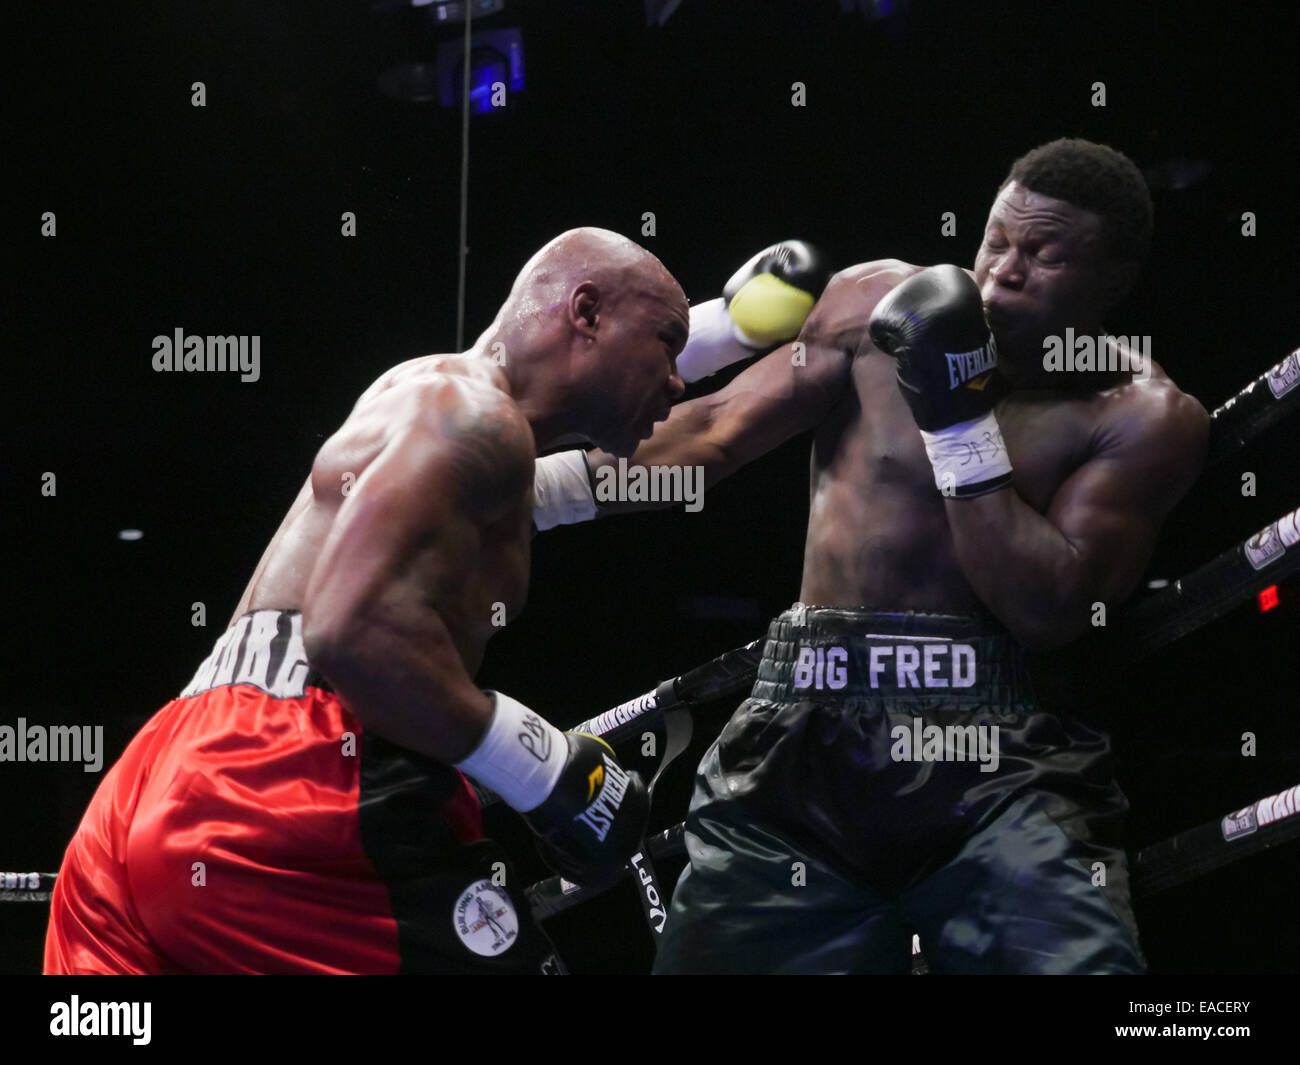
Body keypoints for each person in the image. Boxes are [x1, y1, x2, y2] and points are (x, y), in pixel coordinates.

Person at [533, 139, 1210, 973]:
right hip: (800, 739)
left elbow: (1049, 610)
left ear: (1112, 280)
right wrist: (527, 493)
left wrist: (957, 421)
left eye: (1044, 256)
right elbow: (713, 433)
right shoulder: (871, 304)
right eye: (998, 240)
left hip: (998, 763)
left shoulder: (1140, 414)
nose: (1003, 273)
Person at [44, 227, 689, 974]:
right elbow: (351, 635)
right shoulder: (479, 422)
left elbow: (704, 434)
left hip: (159, 774)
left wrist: (740, 330)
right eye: (667, 344)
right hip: (283, 778)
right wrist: (538, 768)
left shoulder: (425, 398)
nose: (676, 379)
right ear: (586, 313)